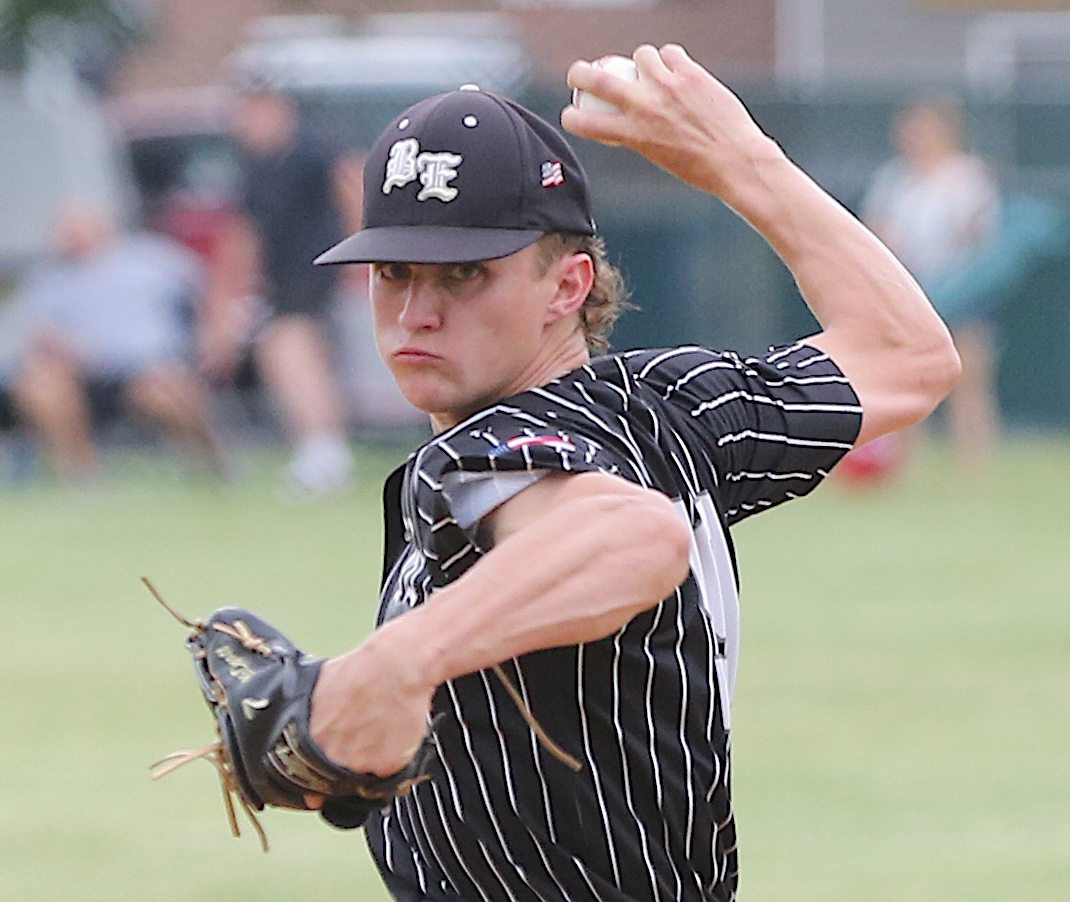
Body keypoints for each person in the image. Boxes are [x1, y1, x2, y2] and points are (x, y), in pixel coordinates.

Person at [301, 44, 959, 901]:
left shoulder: (481, 453)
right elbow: (905, 354)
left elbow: (632, 535)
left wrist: (391, 666)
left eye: (464, 273)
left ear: (567, 284)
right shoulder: (673, 407)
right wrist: (745, 165)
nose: (416, 311)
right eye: (394, 272)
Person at [11, 201, 227, 484]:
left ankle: (211, 463)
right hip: (85, 372)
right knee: (40, 387)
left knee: (164, 391)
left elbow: (207, 292)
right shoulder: (50, 277)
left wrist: (213, 336)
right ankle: (80, 476)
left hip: (148, 366)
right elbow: (39, 331)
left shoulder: (153, 259)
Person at [226, 79, 358, 500]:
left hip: (321, 271)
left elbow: (352, 187)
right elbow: (247, 234)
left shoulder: (313, 148)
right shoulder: (256, 168)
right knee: (284, 354)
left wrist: (363, 255)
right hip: (282, 280)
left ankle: (325, 452)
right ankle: (318, 447)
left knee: (289, 348)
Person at [860, 96, 1000, 476]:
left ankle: (972, 471)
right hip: (909, 294)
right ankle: (906, 469)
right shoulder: (894, 179)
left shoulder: (967, 176)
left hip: (960, 294)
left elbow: (980, 234)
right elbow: (875, 229)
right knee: (908, 385)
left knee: (969, 382)